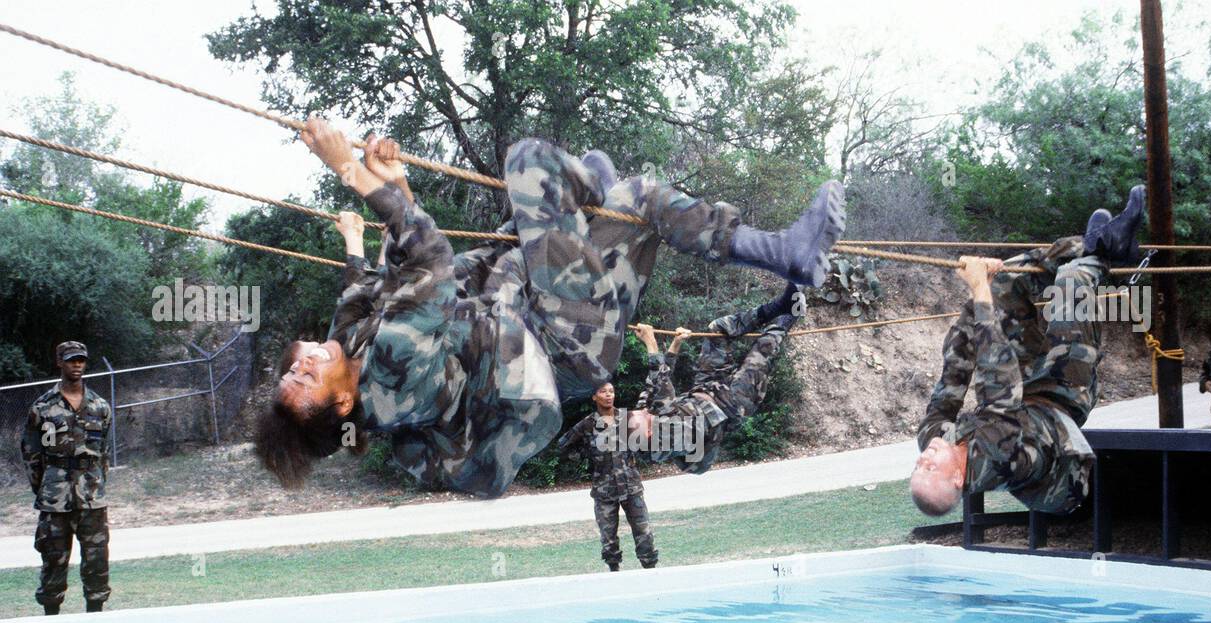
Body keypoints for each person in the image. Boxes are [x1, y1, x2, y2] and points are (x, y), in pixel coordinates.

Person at [255, 118, 845, 498]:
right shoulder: (391, 376)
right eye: (301, 386)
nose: (299, 365)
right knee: (532, 163)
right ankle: (594, 199)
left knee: (628, 200)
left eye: (290, 369)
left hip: (539, 310)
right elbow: (430, 267)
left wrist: (395, 183)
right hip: (563, 339)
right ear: (341, 404)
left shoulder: (349, 344)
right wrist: (349, 171)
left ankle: (608, 204)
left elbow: (383, 276)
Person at [910, 186, 1146, 517]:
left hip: (1025, 391)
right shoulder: (997, 458)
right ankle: (1102, 254)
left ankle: (1097, 245)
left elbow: (956, 370)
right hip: (1062, 401)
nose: (923, 460)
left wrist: (985, 287)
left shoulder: (933, 439)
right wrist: (978, 290)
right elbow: (998, 383)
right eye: (930, 469)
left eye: (917, 467)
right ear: (958, 478)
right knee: (1073, 280)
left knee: (1006, 280)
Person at [626, 283, 803, 474]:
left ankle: (780, 305)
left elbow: (654, 383)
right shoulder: (667, 442)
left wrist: (675, 345)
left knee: (717, 330)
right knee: (762, 348)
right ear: (649, 433)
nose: (642, 412)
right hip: (733, 405)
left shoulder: (643, 417)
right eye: (642, 418)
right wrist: (651, 344)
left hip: (707, 387)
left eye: (635, 412)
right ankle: (791, 313)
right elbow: (663, 393)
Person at [20, 341, 113, 615]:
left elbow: (103, 454)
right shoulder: (43, 408)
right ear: (59, 362)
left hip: (92, 497)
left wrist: (95, 485)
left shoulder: (99, 406)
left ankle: (95, 617)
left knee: (97, 559)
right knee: (53, 560)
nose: (77, 365)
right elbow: (31, 454)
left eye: (81, 360)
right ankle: (51, 620)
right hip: (54, 498)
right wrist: (47, 487)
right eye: (71, 360)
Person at [556, 381, 657, 572]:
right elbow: (563, 446)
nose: (609, 395)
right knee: (609, 541)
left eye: (611, 391)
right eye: (603, 391)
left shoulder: (628, 418)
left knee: (644, 534)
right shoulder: (587, 424)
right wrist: (585, 455)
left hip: (632, 488)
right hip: (604, 491)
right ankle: (614, 573)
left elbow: (645, 441)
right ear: (594, 397)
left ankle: (650, 570)